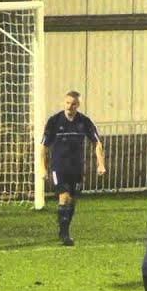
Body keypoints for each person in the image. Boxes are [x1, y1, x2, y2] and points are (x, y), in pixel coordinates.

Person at [40, 91, 106, 246]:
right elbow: (43, 146)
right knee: (64, 197)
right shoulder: (54, 121)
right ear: (64, 103)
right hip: (59, 167)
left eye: (73, 103)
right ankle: (64, 234)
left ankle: (65, 229)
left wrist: (101, 163)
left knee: (73, 200)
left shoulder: (84, 122)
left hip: (76, 167)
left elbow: (97, 143)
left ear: (78, 104)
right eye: (68, 103)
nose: (70, 106)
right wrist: (43, 168)